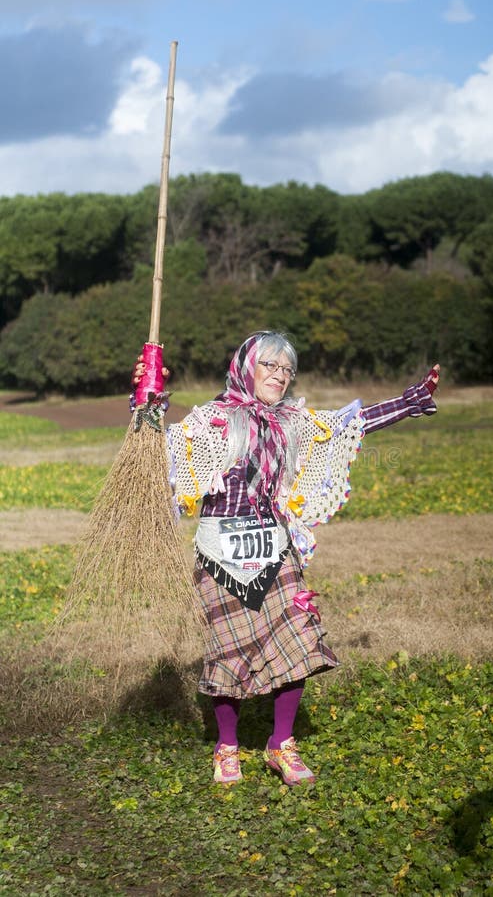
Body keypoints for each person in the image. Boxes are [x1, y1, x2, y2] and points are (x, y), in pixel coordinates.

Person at [135, 331, 440, 786]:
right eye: (270, 367)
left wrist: (411, 401)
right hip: (221, 554)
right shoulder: (210, 422)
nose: (280, 376)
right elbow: (154, 447)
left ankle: (281, 744)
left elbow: (348, 425)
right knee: (229, 653)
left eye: (287, 369)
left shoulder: (292, 422)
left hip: (277, 548)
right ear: (246, 367)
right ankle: (227, 747)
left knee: (297, 641)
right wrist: (146, 400)